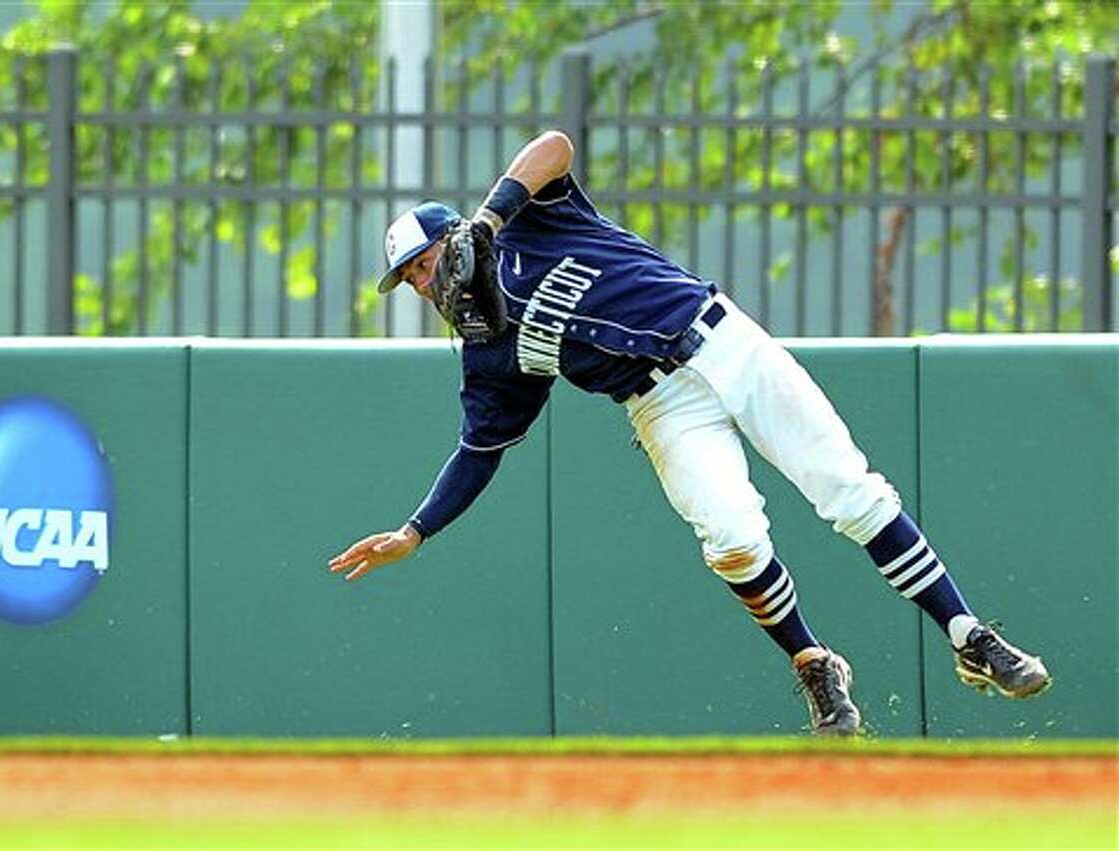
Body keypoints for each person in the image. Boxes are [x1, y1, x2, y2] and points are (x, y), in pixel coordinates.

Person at [328, 130, 1051, 736]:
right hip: (661, 405)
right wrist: (415, 530)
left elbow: (553, 146)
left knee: (849, 492)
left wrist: (489, 219)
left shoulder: (530, 223)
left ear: (451, 238)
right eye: (412, 281)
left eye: (422, 265)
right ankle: (813, 662)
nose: (424, 285)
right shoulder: (490, 348)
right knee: (732, 540)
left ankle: (970, 637)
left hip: (720, 338)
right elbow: (479, 450)